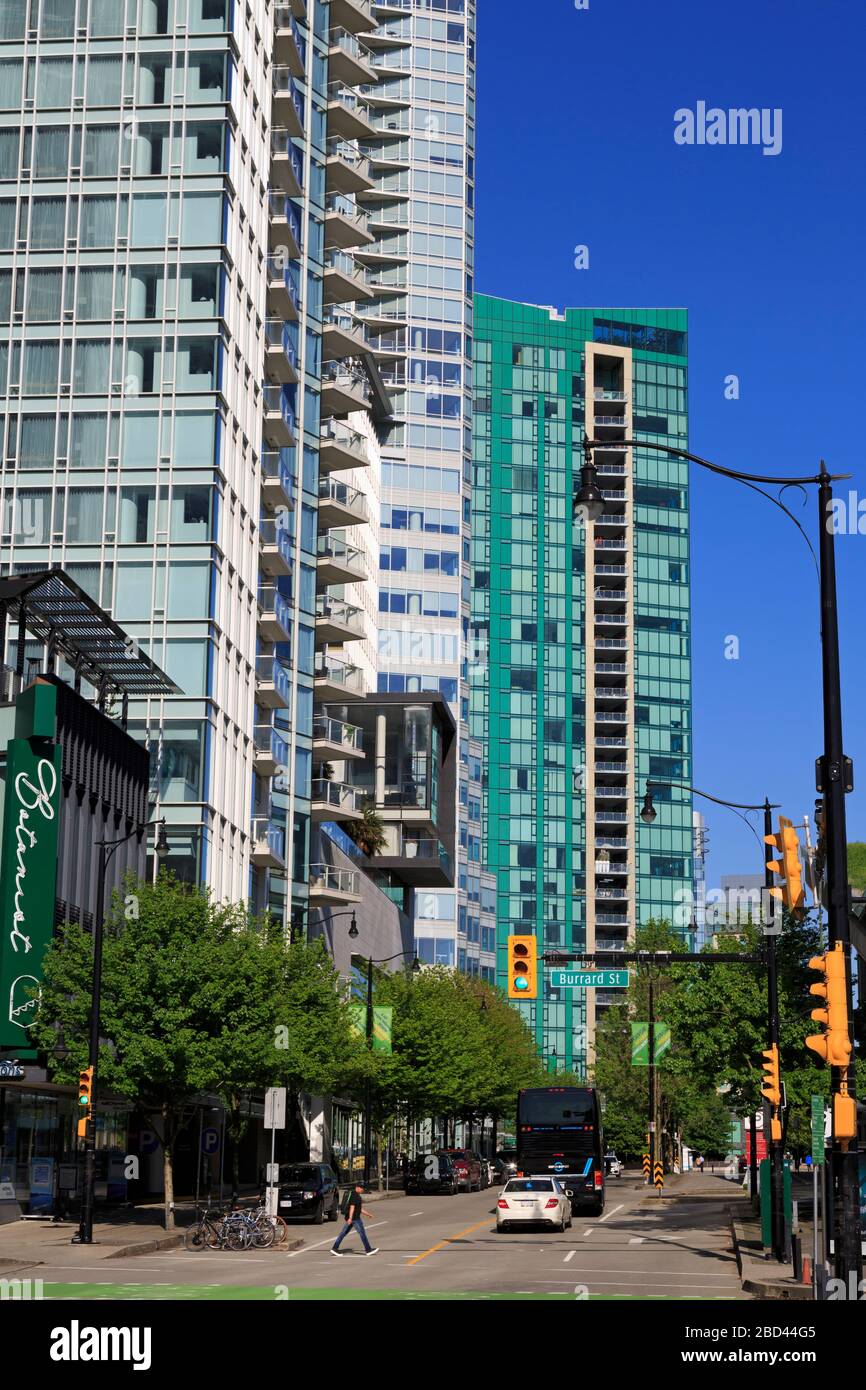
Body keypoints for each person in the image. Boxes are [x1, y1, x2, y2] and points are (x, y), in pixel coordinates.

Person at [330, 1184, 379, 1257]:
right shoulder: (355, 1196)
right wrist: (350, 1218)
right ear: (357, 1188)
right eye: (361, 1188)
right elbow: (352, 1207)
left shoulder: (355, 1195)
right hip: (355, 1219)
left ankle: (334, 1248)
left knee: (343, 1233)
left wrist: (368, 1214)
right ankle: (368, 1250)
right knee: (362, 1234)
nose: (362, 1190)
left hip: (352, 1218)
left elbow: (360, 1209)